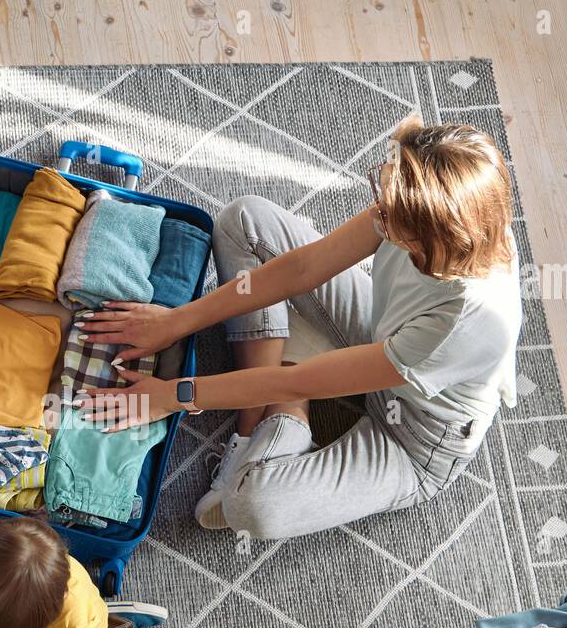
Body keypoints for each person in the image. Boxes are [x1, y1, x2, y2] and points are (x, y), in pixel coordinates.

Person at [76, 116, 522, 539]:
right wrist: (176, 321)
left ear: (434, 237)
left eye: (391, 218)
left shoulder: (468, 320)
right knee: (244, 221)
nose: (378, 213)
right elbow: (306, 267)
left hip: (415, 434)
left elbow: (298, 379)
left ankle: (291, 405)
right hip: (385, 337)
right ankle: (249, 432)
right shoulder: (432, 212)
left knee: (252, 507)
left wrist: (173, 396)